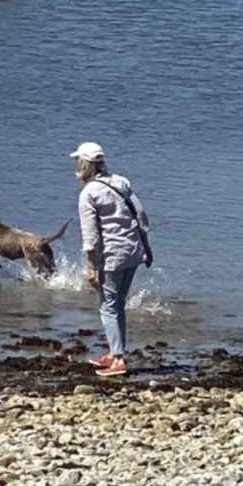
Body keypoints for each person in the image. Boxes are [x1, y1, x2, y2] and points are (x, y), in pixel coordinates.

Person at [71, 141, 153, 378]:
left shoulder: (88, 193)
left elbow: (90, 235)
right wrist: (147, 248)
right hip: (133, 250)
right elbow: (140, 216)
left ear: (84, 164)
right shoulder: (121, 182)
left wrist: (90, 267)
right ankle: (114, 351)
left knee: (108, 307)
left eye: (78, 160)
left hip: (113, 256)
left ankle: (118, 359)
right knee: (118, 304)